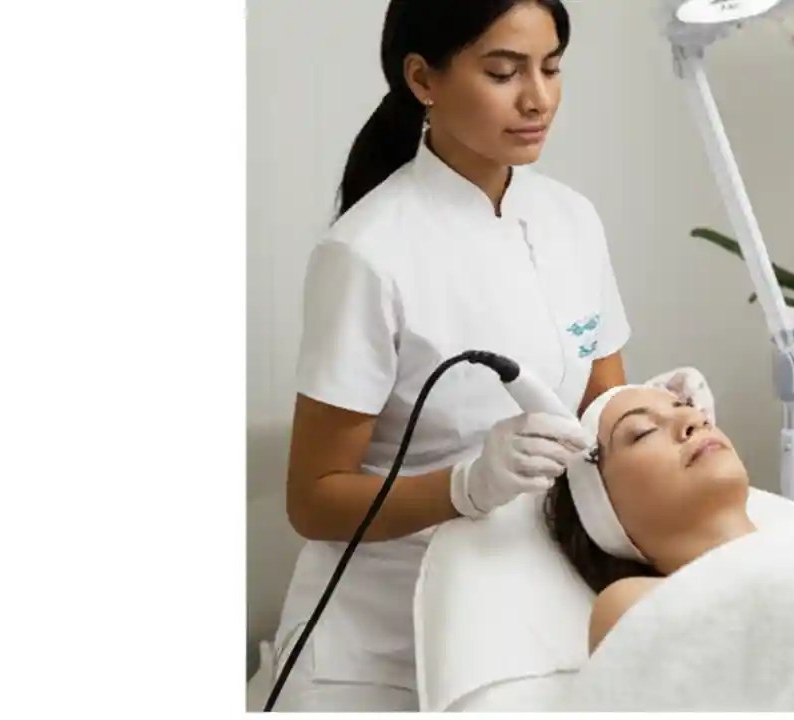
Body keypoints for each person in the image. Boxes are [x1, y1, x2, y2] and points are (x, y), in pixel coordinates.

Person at [269, 0, 714, 711]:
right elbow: (313, 497)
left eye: (551, 67)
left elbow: (595, 413)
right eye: (503, 72)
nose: (537, 98)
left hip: (522, 608)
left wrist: (659, 411)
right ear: (423, 79)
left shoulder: (572, 219)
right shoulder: (366, 253)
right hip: (376, 641)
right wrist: (462, 487)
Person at [543, 384, 755, 654]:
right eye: (643, 432)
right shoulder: (629, 605)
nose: (694, 420)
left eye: (688, 407)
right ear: (608, 515)